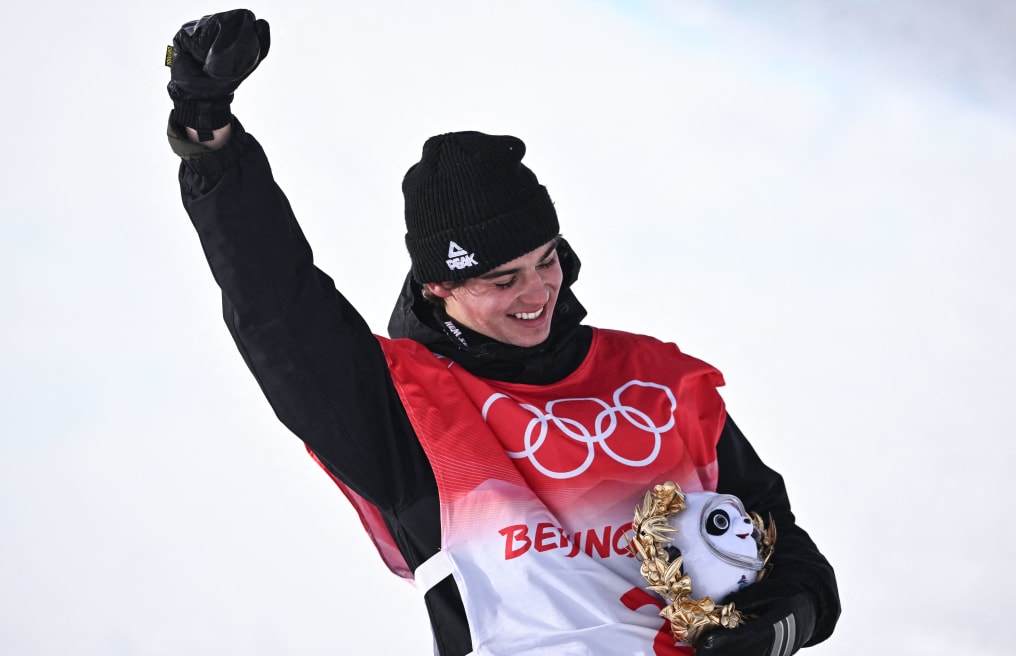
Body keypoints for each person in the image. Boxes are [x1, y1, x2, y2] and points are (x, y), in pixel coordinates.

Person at [166, 9, 840, 655]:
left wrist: (783, 621)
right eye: (502, 280)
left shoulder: (660, 381)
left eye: (547, 261)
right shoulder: (401, 411)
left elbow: (789, 556)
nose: (537, 292)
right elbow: (276, 305)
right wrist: (211, 141)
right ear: (439, 288)